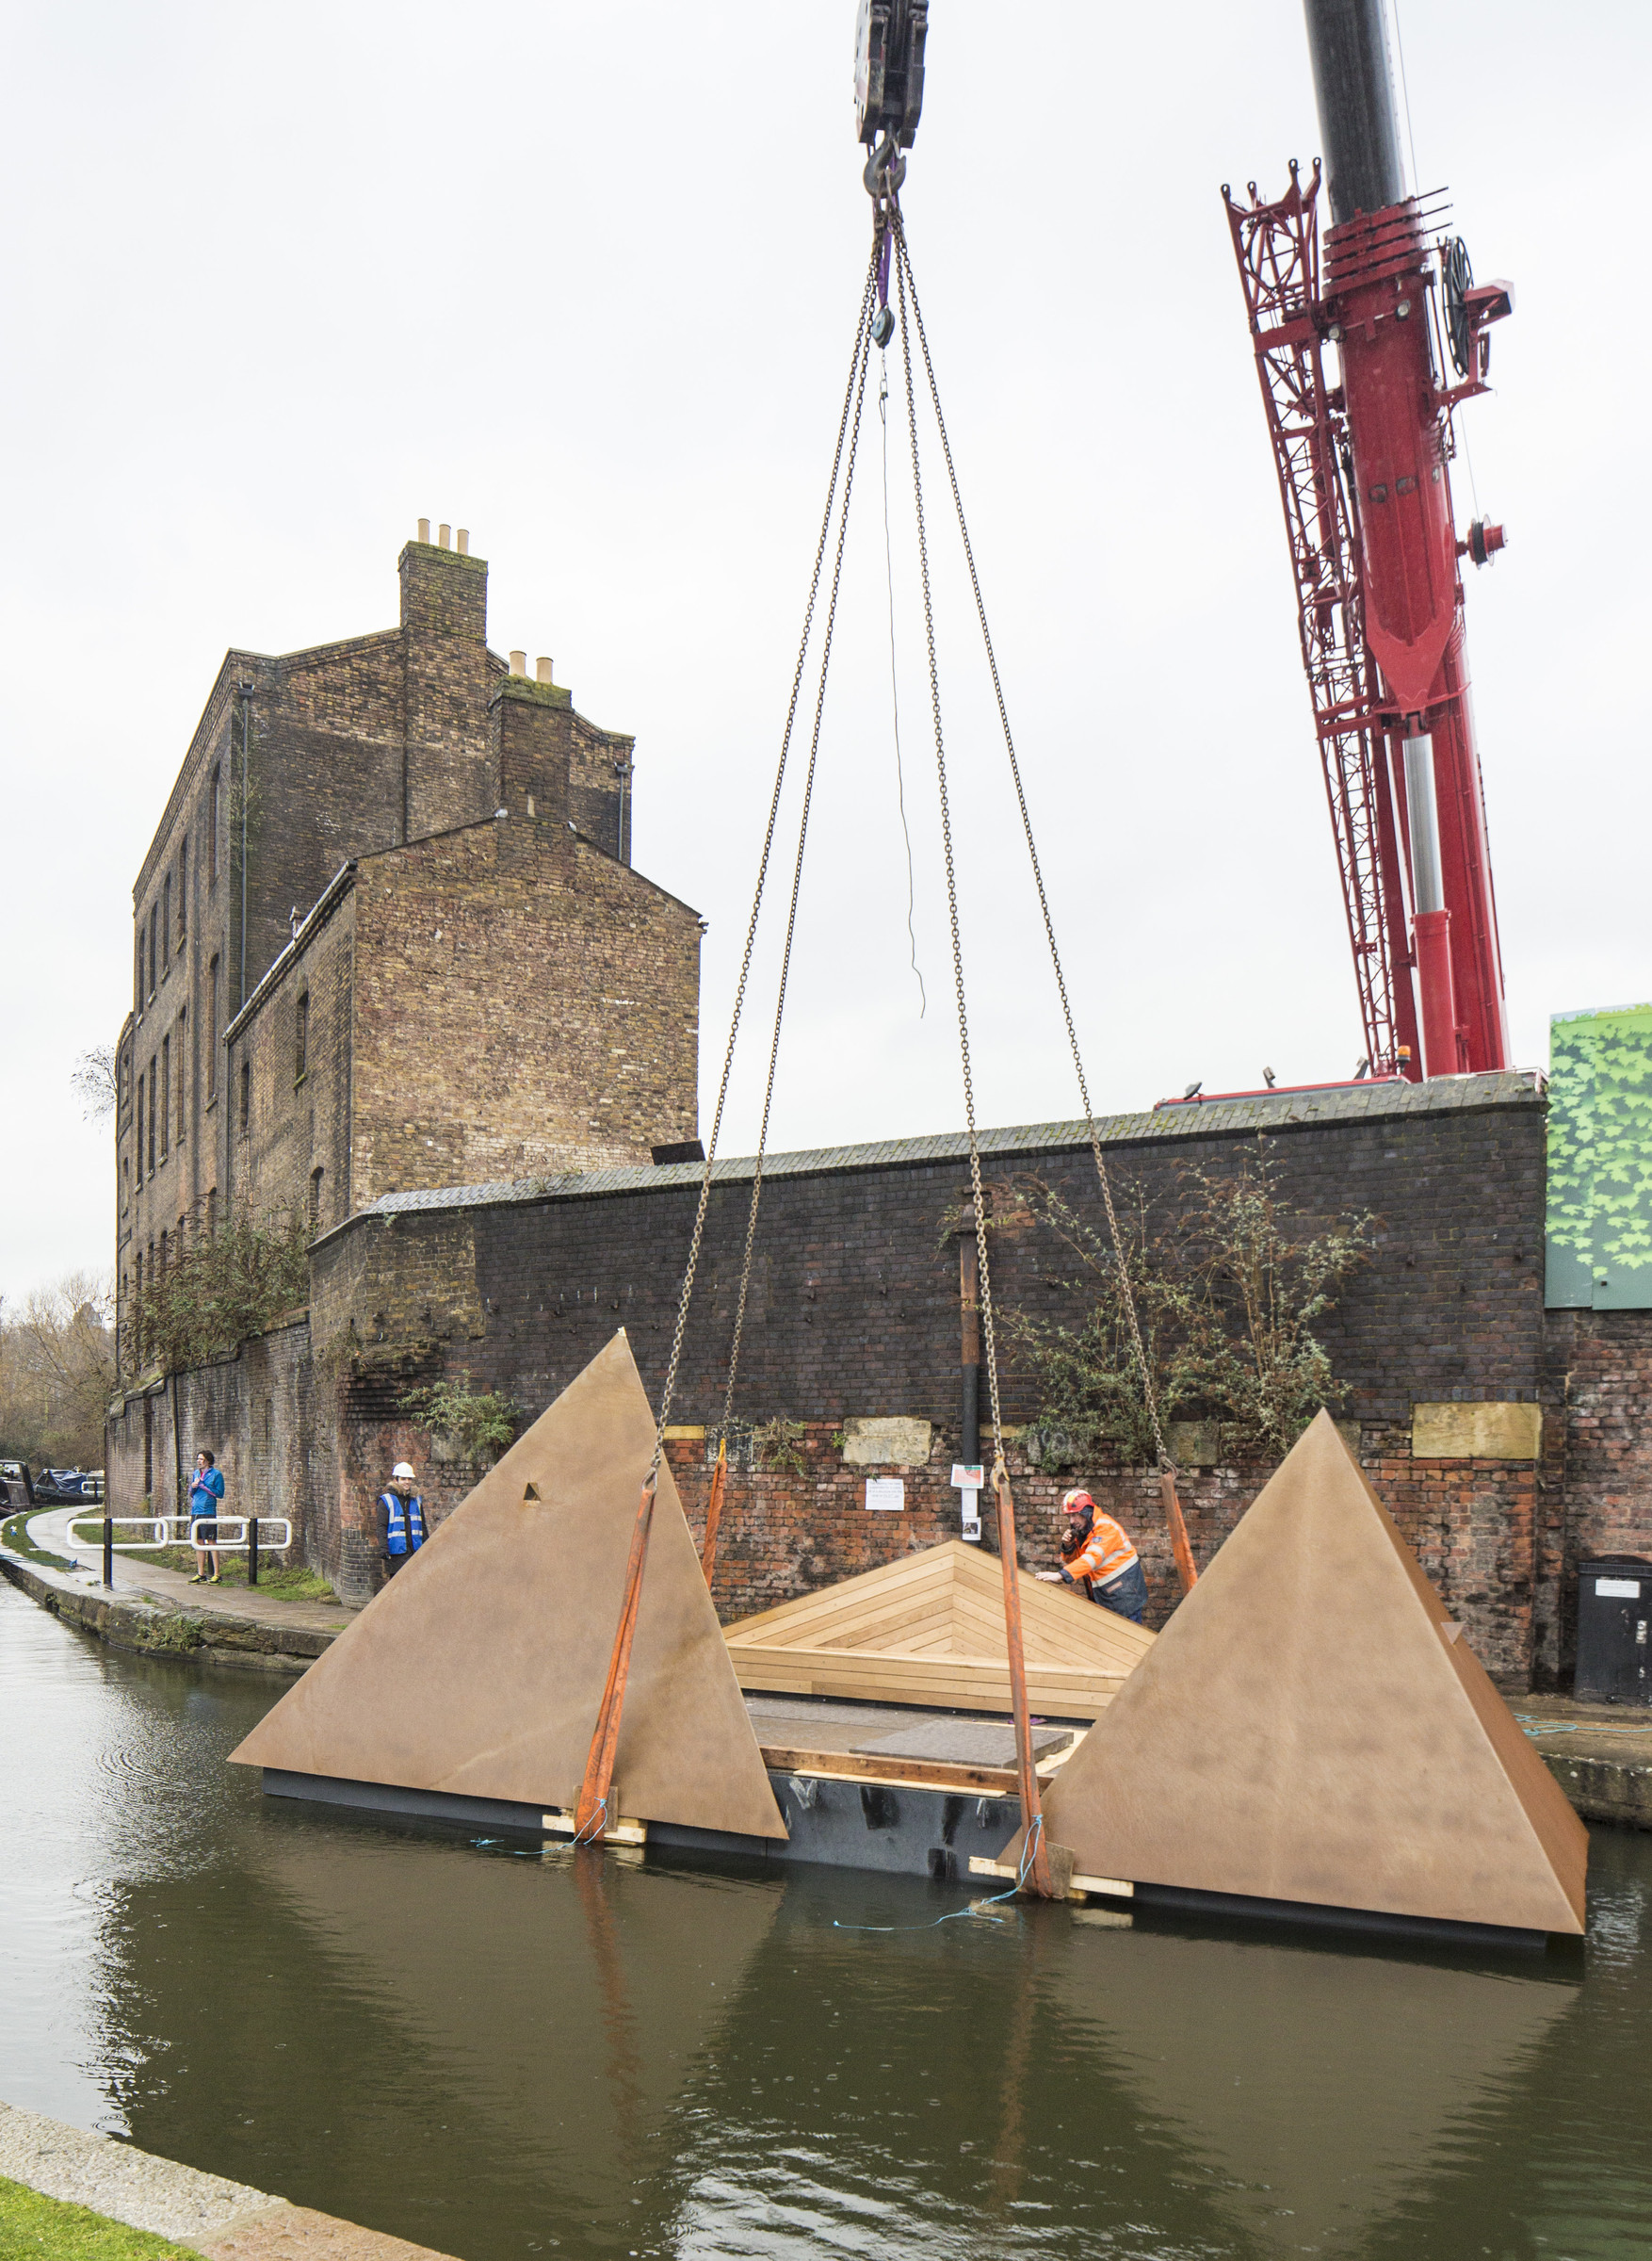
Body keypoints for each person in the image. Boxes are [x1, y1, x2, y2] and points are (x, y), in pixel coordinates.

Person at [1036, 1487, 1147, 1623]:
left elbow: (1091, 1559)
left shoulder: (1105, 1528)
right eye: (1069, 1516)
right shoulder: (1086, 1531)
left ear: (1086, 1512)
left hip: (1125, 1595)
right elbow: (1074, 1562)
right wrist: (1068, 1546)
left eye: (1075, 1515)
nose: (1071, 1521)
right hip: (1111, 1594)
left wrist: (1060, 1575)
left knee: (1131, 1638)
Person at [380, 1461, 427, 1576]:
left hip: (415, 1549)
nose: (407, 1482)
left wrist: (426, 1545)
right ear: (396, 1480)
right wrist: (383, 1548)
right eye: (403, 1479)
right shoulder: (386, 1500)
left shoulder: (417, 1500)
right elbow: (381, 1526)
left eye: (409, 1479)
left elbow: (422, 1525)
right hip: (396, 1551)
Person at [189, 1449, 227, 1585]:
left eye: (201, 1459)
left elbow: (219, 1493)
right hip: (196, 1511)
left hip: (208, 1510)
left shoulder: (216, 1474)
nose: (199, 1461)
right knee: (199, 1542)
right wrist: (193, 1487)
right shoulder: (195, 1473)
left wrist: (203, 1486)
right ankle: (201, 1573)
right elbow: (192, 1493)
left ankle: (217, 1573)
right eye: (198, 1459)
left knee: (211, 1541)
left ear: (208, 1461)